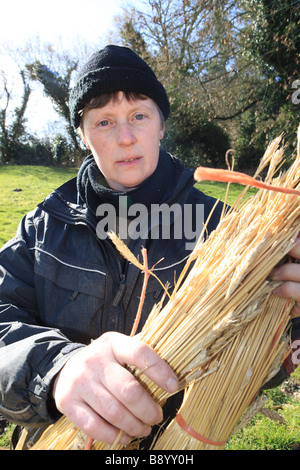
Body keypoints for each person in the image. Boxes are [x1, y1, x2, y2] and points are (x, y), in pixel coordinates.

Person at [0, 45, 299, 450]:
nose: (125, 138)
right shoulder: (43, 227)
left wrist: (287, 322)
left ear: (161, 124)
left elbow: (260, 366)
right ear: (83, 137)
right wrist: (56, 369)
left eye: (139, 116)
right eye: (104, 122)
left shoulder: (228, 232)